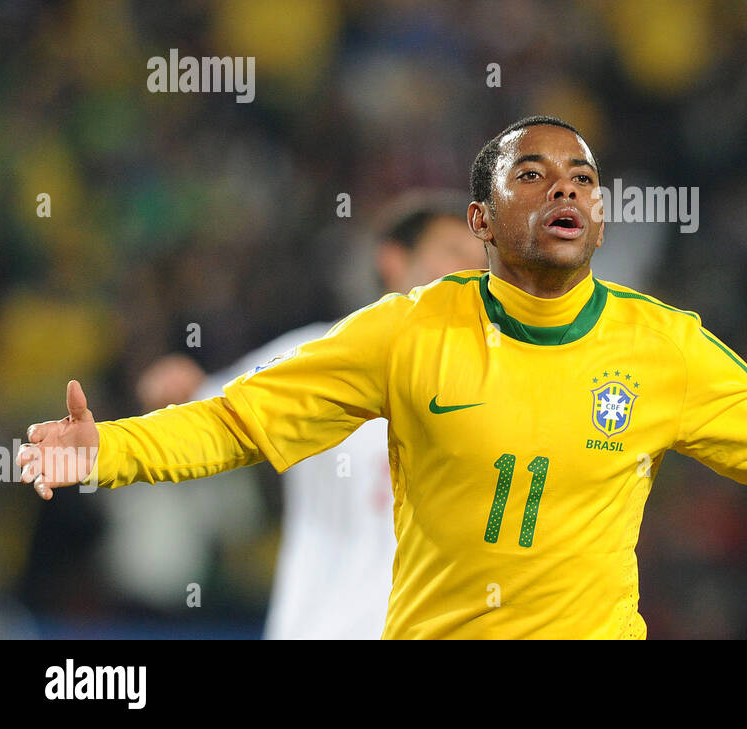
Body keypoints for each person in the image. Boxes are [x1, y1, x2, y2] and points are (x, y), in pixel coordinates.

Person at [20, 116, 747, 639]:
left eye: (582, 178)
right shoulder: (403, 331)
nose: (563, 187)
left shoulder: (663, 347)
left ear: (599, 216)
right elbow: (237, 423)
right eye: (531, 174)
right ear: (480, 224)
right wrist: (107, 447)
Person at [124, 189, 486, 638]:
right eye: (453, 251)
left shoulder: (502, 382)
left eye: (482, 261)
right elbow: (208, 411)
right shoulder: (317, 357)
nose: (472, 272)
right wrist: (175, 389)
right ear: (393, 261)